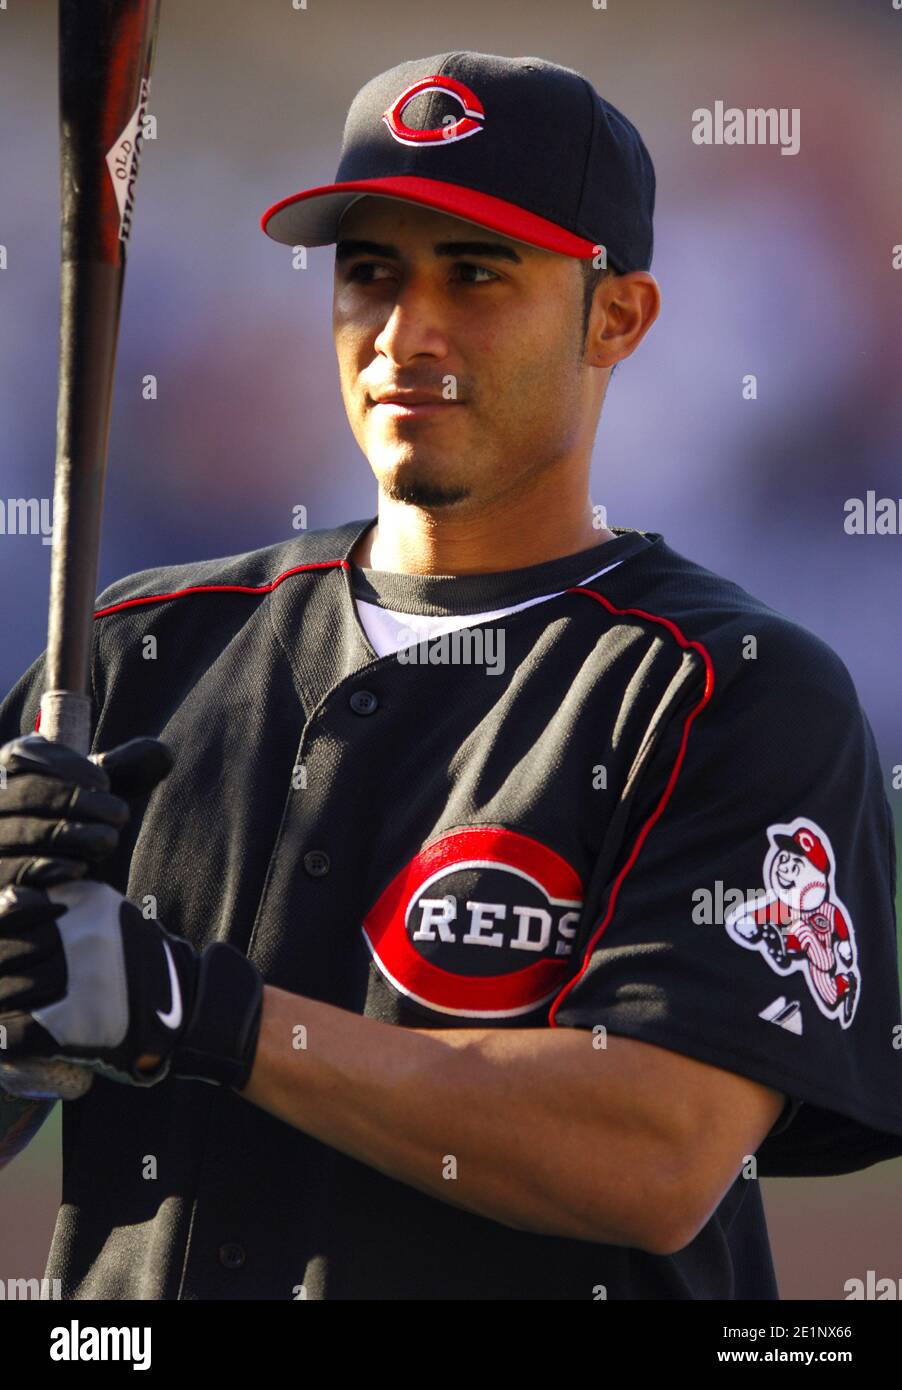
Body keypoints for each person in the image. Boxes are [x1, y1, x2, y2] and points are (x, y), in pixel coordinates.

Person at [0, 50, 900, 1301]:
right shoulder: (134, 648)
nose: (405, 330)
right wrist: (13, 996)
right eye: (370, 272)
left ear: (617, 317)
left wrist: (207, 1015)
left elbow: (653, 1152)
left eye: (474, 273)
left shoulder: (724, 688)